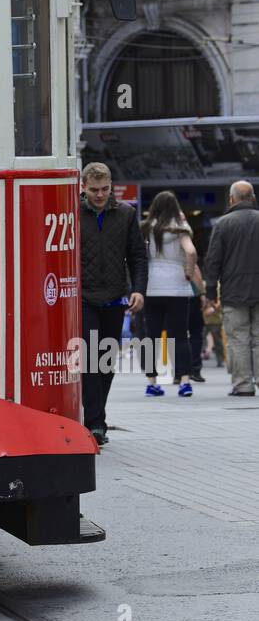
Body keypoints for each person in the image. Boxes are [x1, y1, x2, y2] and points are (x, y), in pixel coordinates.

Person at [80, 162, 147, 446]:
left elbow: (138, 257)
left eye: (104, 189)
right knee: (90, 360)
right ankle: (95, 422)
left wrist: (139, 291)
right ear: (83, 187)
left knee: (106, 362)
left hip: (115, 297)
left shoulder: (127, 214)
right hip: (83, 298)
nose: (100, 195)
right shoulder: (71, 213)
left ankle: (96, 417)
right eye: (94, 190)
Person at [141, 193, 202, 398]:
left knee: (153, 336)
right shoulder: (180, 229)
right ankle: (184, 382)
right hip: (176, 288)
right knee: (180, 336)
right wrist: (188, 271)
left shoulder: (148, 228)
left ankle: (151, 383)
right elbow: (191, 252)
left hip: (152, 287)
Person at [202, 179, 259, 396]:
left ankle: (243, 385)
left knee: (238, 339)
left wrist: (209, 292)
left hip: (234, 292)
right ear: (252, 198)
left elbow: (213, 260)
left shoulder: (223, 224)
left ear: (231, 199)